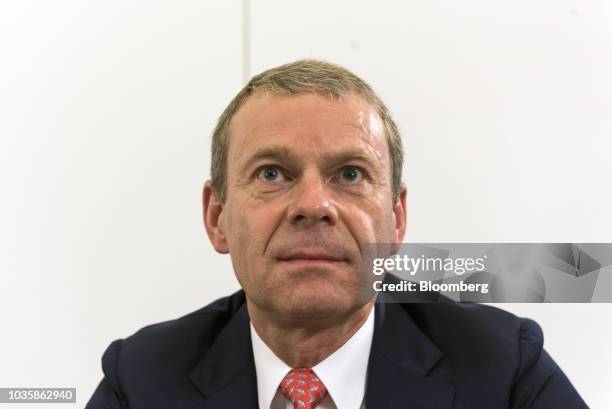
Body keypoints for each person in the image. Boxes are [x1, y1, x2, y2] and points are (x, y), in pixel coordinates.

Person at [86, 60, 587, 409]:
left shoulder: (501, 367)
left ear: (397, 220)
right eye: (271, 173)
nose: (312, 206)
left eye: (349, 174)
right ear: (217, 217)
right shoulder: (142, 379)